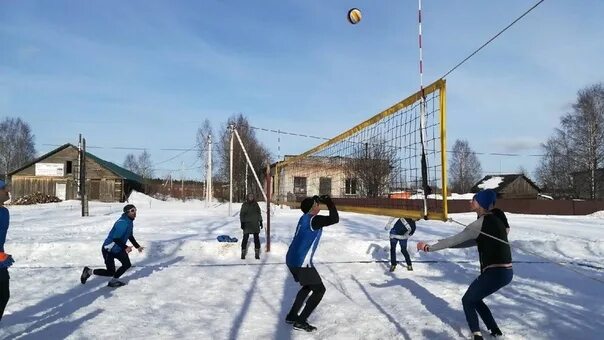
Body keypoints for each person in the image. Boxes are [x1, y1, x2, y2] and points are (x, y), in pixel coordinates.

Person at [416, 189, 512, 340]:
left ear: (480, 203)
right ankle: (495, 330)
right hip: (506, 273)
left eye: (473, 200)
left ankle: (477, 335)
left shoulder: (480, 224)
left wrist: (428, 247)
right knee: (475, 298)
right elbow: (468, 241)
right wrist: (448, 245)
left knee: (467, 300)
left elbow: (454, 239)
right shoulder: (496, 219)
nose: (470, 202)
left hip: (495, 272)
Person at [285, 194, 339, 332]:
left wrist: (315, 200)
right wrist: (330, 203)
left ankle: (292, 315)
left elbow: (313, 210)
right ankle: (301, 321)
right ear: (312, 208)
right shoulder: (313, 220)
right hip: (301, 262)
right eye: (317, 204)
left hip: (291, 259)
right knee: (320, 290)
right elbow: (334, 219)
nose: (318, 205)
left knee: (308, 286)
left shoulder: (304, 218)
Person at [80, 204, 145, 287]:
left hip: (118, 248)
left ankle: (113, 282)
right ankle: (88, 271)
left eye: (135, 210)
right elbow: (116, 238)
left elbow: (129, 235)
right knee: (110, 272)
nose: (135, 212)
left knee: (127, 264)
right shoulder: (122, 223)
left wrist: (137, 246)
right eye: (132, 210)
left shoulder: (130, 222)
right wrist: (126, 247)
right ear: (127, 212)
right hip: (108, 249)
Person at [0, 180, 14, 322]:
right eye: (4, 188)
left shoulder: (4, 212)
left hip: (0, 260)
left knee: (4, 295)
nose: (7, 191)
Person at [240, 193, 263, 260]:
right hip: (247, 224)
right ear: (247, 197)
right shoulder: (245, 205)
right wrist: (242, 222)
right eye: (250, 196)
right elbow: (242, 214)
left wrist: (260, 221)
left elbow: (259, 213)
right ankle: (243, 252)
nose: (251, 198)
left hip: (255, 224)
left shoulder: (256, 205)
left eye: (252, 196)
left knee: (256, 238)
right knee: (245, 238)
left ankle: (257, 253)